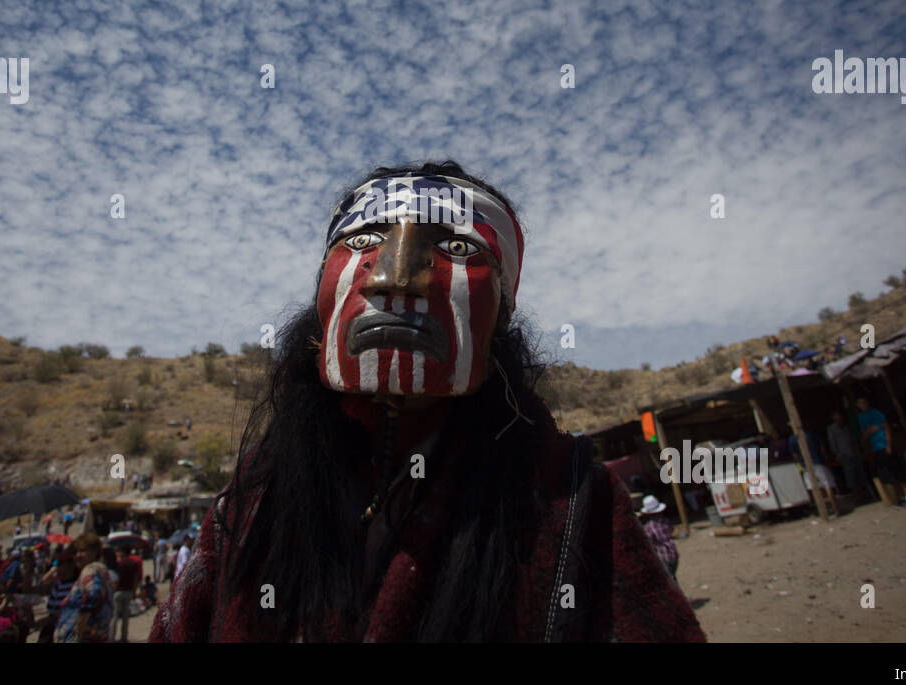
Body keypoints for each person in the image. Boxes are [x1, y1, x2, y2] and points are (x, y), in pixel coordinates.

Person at [150, 161, 704, 642]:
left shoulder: (571, 495)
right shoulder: (254, 496)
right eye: (365, 240)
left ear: (503, 312)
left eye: (457, 247)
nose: (395, 276)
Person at [857, 397, 906, 506]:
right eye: (860, 403)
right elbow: (864, 434)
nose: (862, 404)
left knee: (898, 472)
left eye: (864, 402)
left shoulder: (876, 413)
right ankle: (899, 497)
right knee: (887, 474)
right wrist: (868, 434)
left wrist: (888, 445)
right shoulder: (861, 417)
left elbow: (886, 428)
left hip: (885, 445)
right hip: (875, 448)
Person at [56, 532, 111, 643]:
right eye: (76, 552)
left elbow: (93, 594)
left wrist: (80, 627)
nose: (77, 555)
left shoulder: (90, 570)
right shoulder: (100, 569)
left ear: (95, 552)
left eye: (82, 551)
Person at [827, 409, 874, 500]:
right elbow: (832, 443)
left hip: (854, 453)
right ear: (833, 418)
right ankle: (856, 496)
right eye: (837, 416)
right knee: (850, 476)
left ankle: (866, 494)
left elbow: (853, 439)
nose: (839, 417)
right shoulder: (832, 429)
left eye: (840, 415)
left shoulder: (847, 427)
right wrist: (837, 454)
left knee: (861, 474)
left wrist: (858, 450)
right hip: (844, 455)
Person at [37, 549, 78, 643]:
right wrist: (54, 568)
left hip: (66, 630)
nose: (57, 567)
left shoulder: (75, 585)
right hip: (52, 629)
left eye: (59, 564)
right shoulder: (57, 584)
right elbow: (43, 581)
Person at [637, 495, 679, 581]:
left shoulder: (649, 526)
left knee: (668, 579)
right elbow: (671, 530)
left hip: (663, 554)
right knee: (672, 576)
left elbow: (648, 541)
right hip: (673, 551)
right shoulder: (664, 521)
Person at [112, 547, 141, 642]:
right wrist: (134, 590)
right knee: (125, 616)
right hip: (129, 591)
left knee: (115, 616)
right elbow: (136, 579)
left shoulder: (118, 564)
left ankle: (111, 637)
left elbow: (115, 579)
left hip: (118, 591)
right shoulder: (133, 564)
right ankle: (123, 637)